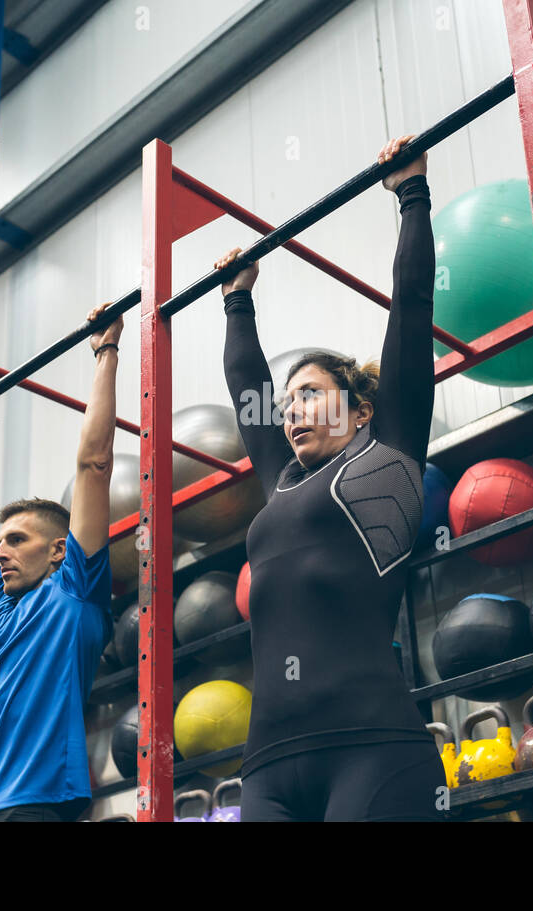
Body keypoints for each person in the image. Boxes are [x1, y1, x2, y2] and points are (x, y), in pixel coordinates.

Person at [214, 134, 444, 821]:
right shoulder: (279, 481)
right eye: (288, 404)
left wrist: (411, 195)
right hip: (270, 765)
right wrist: (236, 301)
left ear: (363, 408)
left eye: (310, 393)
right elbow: (244, 383)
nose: (292, 411)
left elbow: (411, 309)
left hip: (373, 747)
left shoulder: (387, 456)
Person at [0, 303, 120, 821]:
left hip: (34, 806)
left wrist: (106, 351)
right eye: (3, 543)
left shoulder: (73, 591)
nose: (0, 552)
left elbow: (94, 465)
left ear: (58, 550)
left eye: (17, 541)